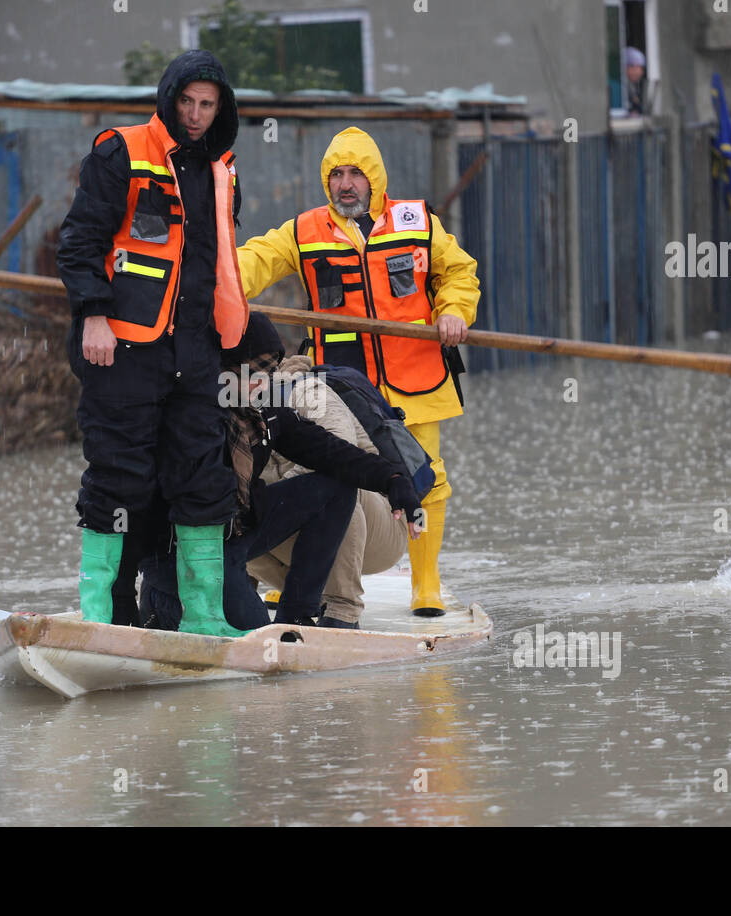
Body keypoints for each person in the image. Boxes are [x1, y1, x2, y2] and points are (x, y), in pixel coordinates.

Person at [237, 126, 480, 616]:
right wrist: (214, 284)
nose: (346, 184)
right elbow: (254, 260)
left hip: (414, 380)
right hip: (339, 388)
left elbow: (457, 271)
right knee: (313, 471)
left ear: (375, 179)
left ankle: (425, 584)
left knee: (424, 476)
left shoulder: (418, 224)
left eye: (355, 174)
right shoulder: (303, 231)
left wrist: (454, 309)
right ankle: (298, 575)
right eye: (336, 175)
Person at [55, 50, 249, 636]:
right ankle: (99, 617)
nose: (195, 115)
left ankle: (205, 620)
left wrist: (232, 343)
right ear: (169, 99)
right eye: (186, 102)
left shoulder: (223, 170)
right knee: (117, 478)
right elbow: (79, 242)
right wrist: (93, 316)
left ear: (221, 109)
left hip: (194, 355)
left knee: (202, 479)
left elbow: (215, 264)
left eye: (207, 105)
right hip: (122, 352)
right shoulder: (120, 151)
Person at [138, 313, 423, 631]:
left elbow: (328, 451)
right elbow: (134, 497)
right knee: (246, 630)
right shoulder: (184, 411)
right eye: (252, 372)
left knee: (334, 487)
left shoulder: (264, 408)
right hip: (185, 551)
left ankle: (298, 613)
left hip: (234, 538)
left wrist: (392, 479)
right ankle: (162, 604)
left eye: (267, 372)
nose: (260, 383)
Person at [245, 349, 411, 628]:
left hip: (378, 530)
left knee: (337, 486)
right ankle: (260, 597)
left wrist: (283, 503)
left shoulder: (310, 393)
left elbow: (340, 459)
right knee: (233, 502)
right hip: (300, 526)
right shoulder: (227, 397)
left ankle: (343, 610)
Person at [624, 47, 646, 115]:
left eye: (639, 67)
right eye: (632, 66)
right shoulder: (620, 89)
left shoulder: (640, 86)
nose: (636, 71)